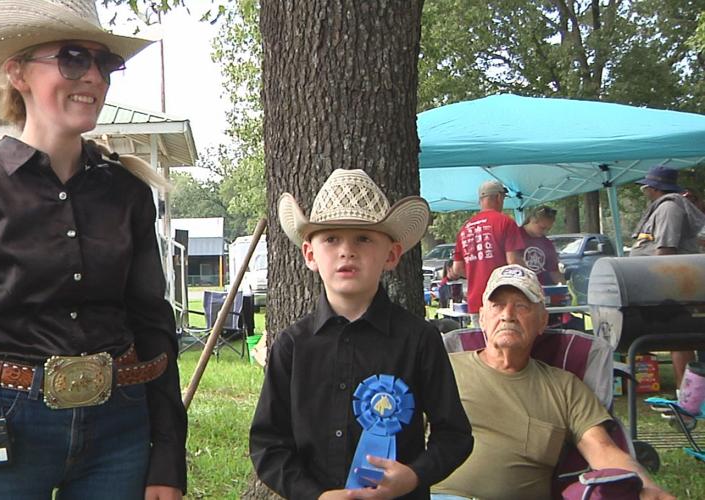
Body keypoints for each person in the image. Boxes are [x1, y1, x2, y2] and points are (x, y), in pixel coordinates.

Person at [0, 1, 186, 499]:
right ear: (17, 72)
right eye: (74, 58)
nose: (95, 77)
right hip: (5, 424)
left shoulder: (128, 194)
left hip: (119, 427)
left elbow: (153, 324)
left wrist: (166, 455)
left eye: (105, 64)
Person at [250, 169, 473, 499]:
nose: (347, 251)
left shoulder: (419, 340)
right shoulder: (292, 346)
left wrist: (413, 476)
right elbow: (268, 445)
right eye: (331, 239)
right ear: (310, 255)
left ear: (392, 255)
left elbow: (455, 435)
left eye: (364, 238)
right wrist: (316, 495)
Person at [432, 265, 674, 500]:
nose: (507, 315)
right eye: (497, 306)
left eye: (521, 306)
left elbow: (603, 450)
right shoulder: (444, 368)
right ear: (482, 318)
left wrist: (649, 487)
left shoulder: (565, 387)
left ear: (542, 321)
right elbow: (402, 437)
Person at [630, 165, 705, 387]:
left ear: (653, 188)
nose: (645, 192)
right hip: (672, 282)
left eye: (646, 187)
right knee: (678, 340)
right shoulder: (664, 206)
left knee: (680, 339)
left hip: (674, 283)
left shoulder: (669, 208)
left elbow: (666, 249)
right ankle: (688, 393)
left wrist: (656, 285)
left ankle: (687, 395)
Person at [449, 180, 526, 325]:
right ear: (498, 197)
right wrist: (530, 276)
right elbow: (513, 261)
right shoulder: (505, 222)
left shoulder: (465, 228)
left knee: (483, 344)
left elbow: (457, 268)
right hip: (503, 300)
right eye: (503, 198)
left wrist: (477, 274)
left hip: (476, 302)